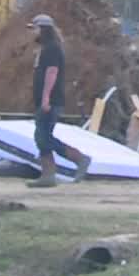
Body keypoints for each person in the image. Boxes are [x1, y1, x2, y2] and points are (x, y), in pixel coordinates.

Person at [27, 14, 91, 188]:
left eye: (35, 28)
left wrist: (46, 98)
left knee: (43, 136)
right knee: (41, 136)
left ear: (43, 29)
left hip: (51, 100)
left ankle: (80, 159)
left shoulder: (53, 48)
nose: (32, 32)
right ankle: (48, 175)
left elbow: (52, 72)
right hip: (44, 99)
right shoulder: (44, 48)